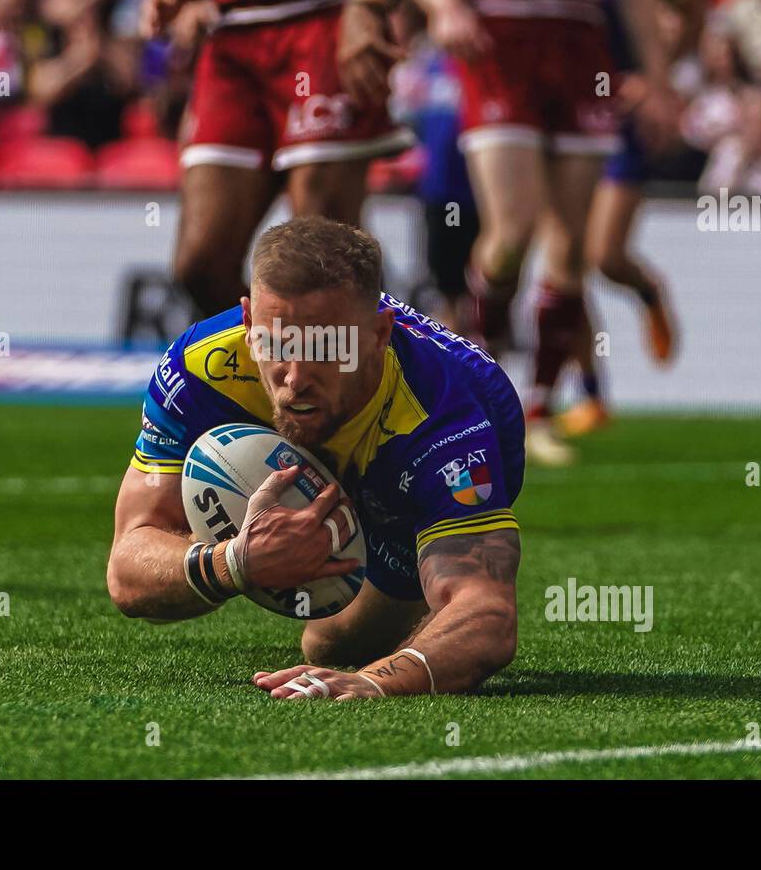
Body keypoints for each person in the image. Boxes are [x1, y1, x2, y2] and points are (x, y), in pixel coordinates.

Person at [109, 217, 525, 699]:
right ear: (247, 323)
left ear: (377, 334)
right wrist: (236, 562)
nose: (295, 378)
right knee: (331, 644)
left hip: (403, 487)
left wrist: (377, 680)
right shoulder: (199, 370)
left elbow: (488, 615)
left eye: (328, 348)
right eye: (277, 344)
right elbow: (126, 572)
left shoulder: (447, 418)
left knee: (335, 646)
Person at [340, 0, 675, 466]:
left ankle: (536, 410)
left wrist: (658, 78)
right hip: (498, 48)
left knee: (570, 244)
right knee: (512, 234)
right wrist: (445, 4)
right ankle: (484, 383)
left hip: (580, 51)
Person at [138, 0, 416, 317]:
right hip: (232, 34)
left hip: (326, 19)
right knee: (199, 265)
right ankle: (274, 369)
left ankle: (375, 366)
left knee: (321, 260)